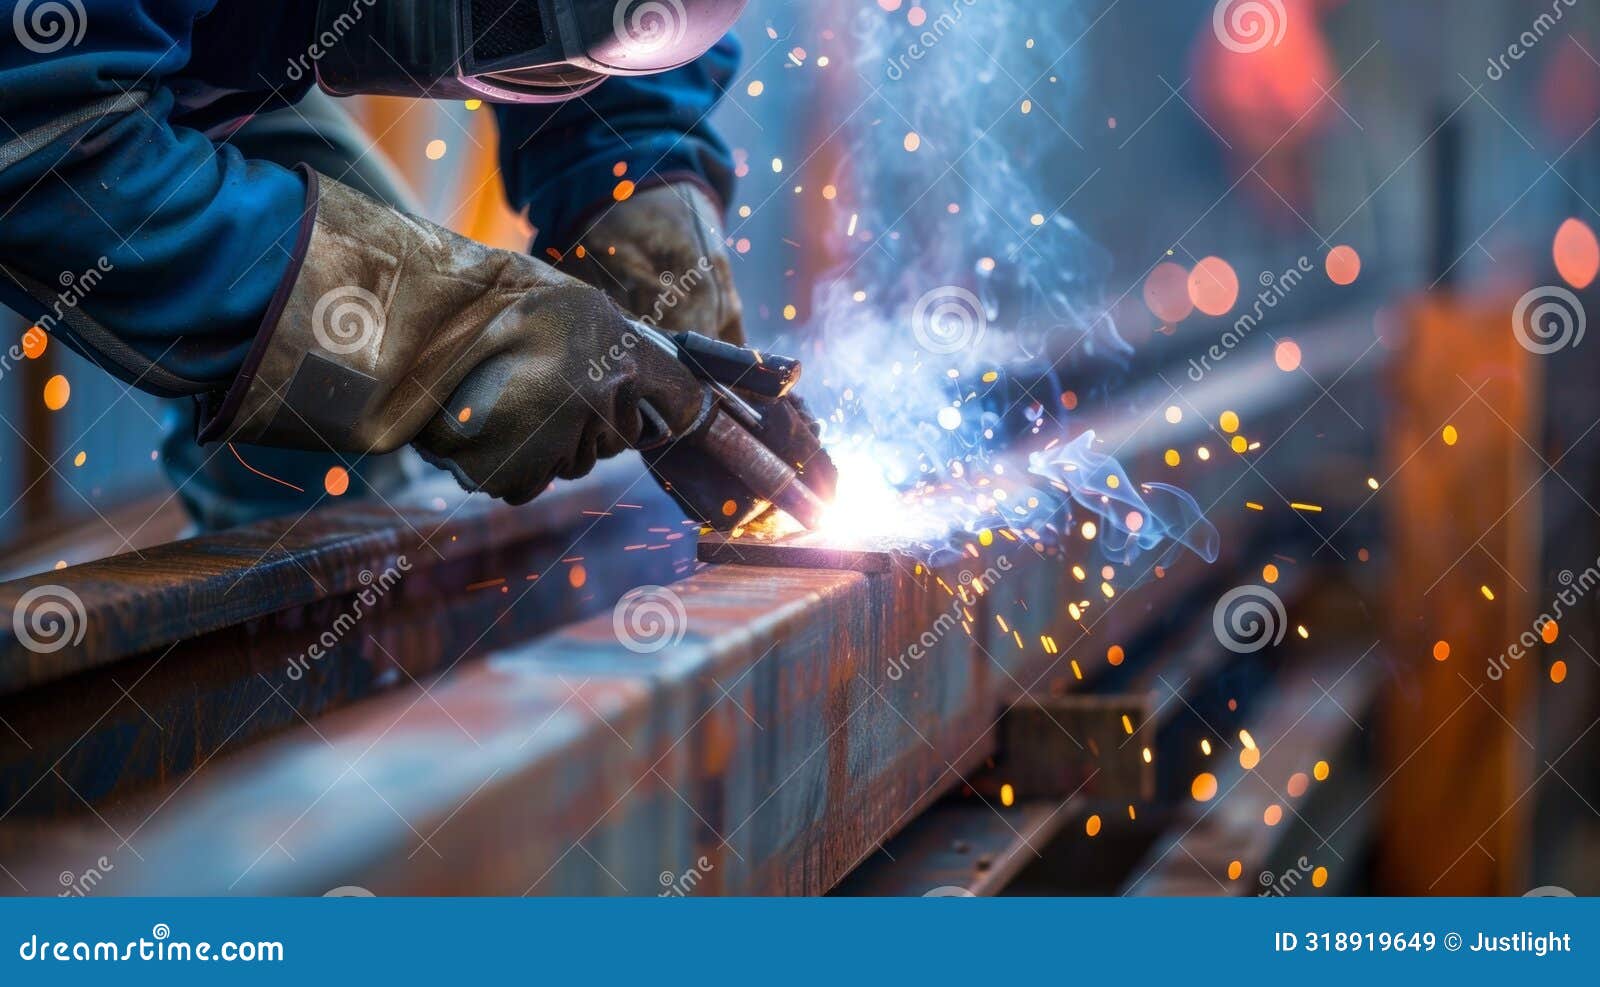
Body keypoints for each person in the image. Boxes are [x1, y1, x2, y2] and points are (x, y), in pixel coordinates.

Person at [0, 0, 805, 530]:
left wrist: (637, 195)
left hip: (182, 41)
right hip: (61, 103)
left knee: (347, 455)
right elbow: (49, 147)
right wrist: (457, 337)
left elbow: (602, 23)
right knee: (355, 354)